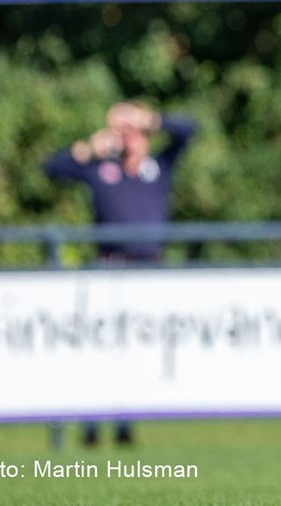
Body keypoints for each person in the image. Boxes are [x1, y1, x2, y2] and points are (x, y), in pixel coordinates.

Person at [44, 101, 196, 446]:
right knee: (100, 350)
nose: (130, 140)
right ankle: (92, 426)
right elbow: (52, 168)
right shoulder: (100, 168)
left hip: (147, 271)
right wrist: (88, 149)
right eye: (124, 133)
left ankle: (125, 423)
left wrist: (150, 119)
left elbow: (189, 131)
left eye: (136, 133)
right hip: (109, 269)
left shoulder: (157, 168)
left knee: (136, 352)